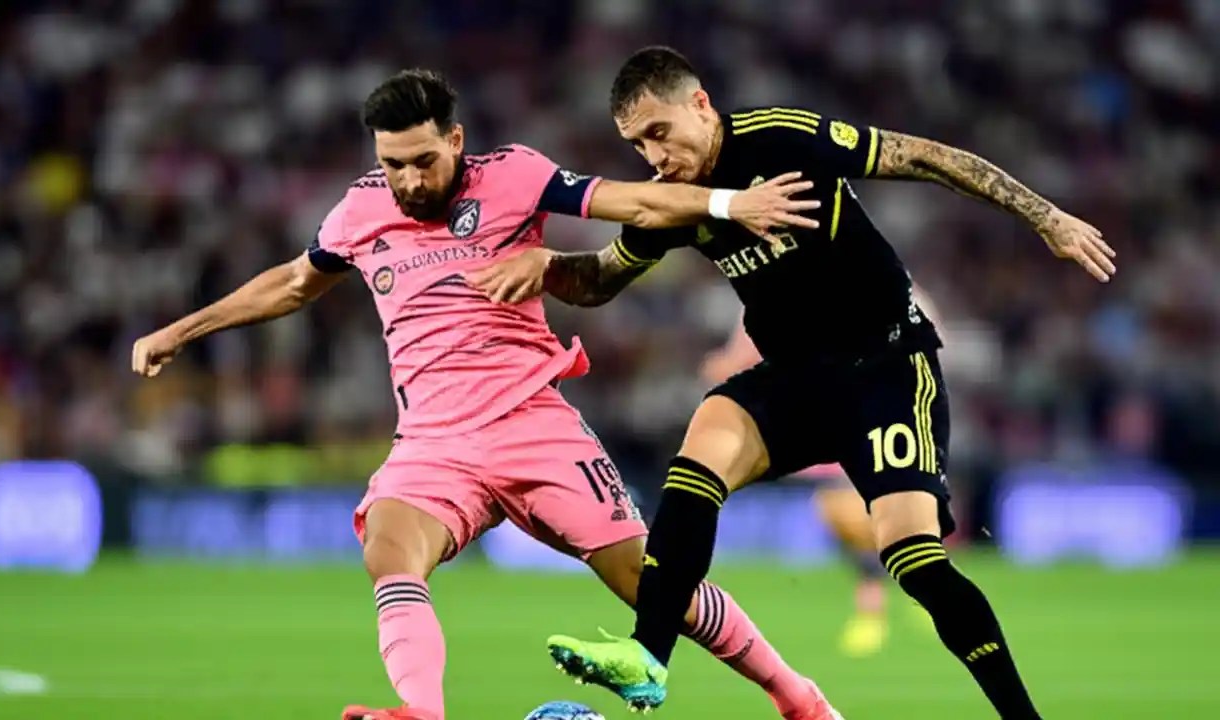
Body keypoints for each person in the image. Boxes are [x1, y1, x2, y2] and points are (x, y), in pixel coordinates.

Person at [130, 68, 842, 720]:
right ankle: (422, 713)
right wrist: (182, 331)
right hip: (433, 443)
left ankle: (798, 698)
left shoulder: (515, 177)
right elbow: (291, 283)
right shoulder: (357, 214)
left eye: (422, 160)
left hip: (533, 423)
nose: (408, 180)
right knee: (390, 547)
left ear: (456, 140)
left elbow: (635, 201)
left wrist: (727, 202)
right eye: (392, 164)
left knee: (648, 581)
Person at [470, 46, 1115, 718]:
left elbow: (924, 157)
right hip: (794, 380)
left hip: (885, 368)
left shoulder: (779, 138)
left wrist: (1047, 217)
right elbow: (602, 279)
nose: (653, 157)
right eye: (637, 145)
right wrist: (544, 265)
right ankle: (648, 658)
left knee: (915, 560)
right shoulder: (684, 202)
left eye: (659, 133)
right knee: (702, 447)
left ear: (700, 104)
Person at [700, 283, 946, 659]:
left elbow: (931, 335)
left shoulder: (883, 279)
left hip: (886, 414)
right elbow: (744, 353)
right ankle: (905, 598)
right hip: (833, 416)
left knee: (870, 513)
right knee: (851, 515)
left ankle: (905, 600)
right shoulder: (775, 292)